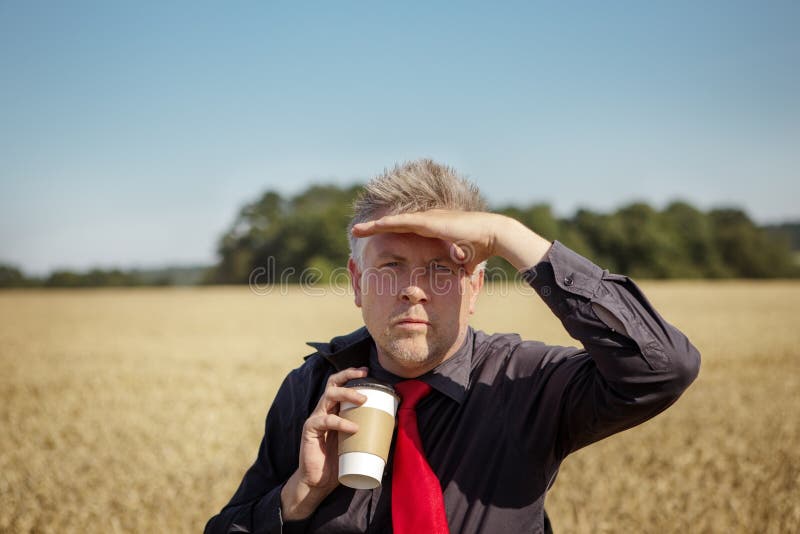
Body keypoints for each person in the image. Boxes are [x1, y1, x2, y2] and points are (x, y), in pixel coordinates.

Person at [204, 159, 701, 534]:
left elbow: (662, 367)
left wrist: (504, 234)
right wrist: (299, 496)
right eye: (391, 266)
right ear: (357, 282)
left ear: (475, 287)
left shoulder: (525, 382)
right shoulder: (312, 389)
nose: (413, 289)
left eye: (441, 269)